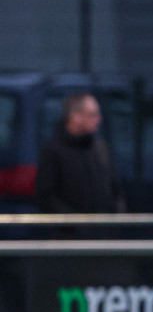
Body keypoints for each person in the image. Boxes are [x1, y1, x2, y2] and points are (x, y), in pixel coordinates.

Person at [35, 93, 126, 238]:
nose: (99, 120)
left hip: (105, 237)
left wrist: (117, 215)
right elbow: (46, 197)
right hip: (70, 241)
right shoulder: (53, 151)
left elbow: (115, 188)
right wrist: (75, 224)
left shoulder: (100, 148)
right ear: (76, 116)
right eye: (93, 114)